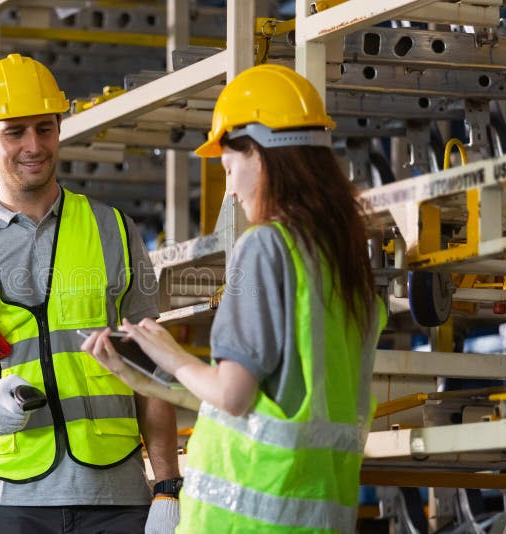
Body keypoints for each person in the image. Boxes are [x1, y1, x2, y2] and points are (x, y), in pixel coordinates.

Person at [82, 64, 387, 533]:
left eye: (229, 167)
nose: (230, 189)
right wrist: (140, 376)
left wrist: (172, 353)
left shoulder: (266, 245)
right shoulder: (344, 266)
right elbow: (272, 398)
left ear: (261, 156)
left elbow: (233, 395)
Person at [0, 53, 181, 534]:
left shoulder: (113, 230)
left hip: (115, 497)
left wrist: (167, 487)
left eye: (45, 128)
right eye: (15, 132)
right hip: (5, 497)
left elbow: (150, 367)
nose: (34, 145)